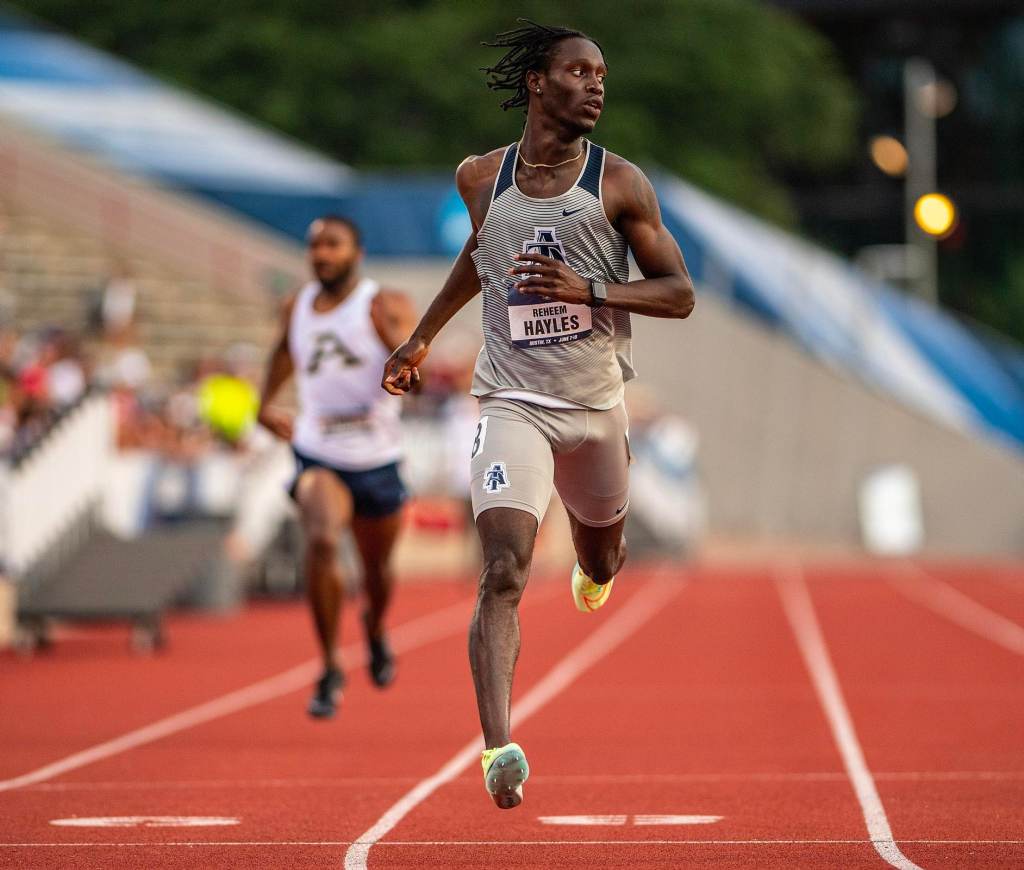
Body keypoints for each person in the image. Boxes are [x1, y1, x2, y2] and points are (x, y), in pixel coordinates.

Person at [382, 20, 694, 808]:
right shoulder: (480, 177)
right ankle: (498, 750)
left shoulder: (620, 183)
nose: (596, 86)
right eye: (579, 71)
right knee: (504, 571)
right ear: (537, 82)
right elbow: (479, 254)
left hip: (595, 409)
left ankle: (596, 572)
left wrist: (587, 290)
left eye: (602, 74)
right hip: (512, 402)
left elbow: (680, 294)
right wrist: (420, 338)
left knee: (600, 561)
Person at [259, 215, 417, 719]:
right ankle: (329, 664)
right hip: (318, 445)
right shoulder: (297, 305)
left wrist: (406, 371)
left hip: (376, 452)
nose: (321, 254)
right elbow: (285, 351)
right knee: (324, 538)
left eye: (333, 245)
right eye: (314, 246)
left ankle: (373, 627)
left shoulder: (383, 303)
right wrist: (263, 404)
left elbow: (415, 359)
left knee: (377, 570)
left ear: (357, 251)